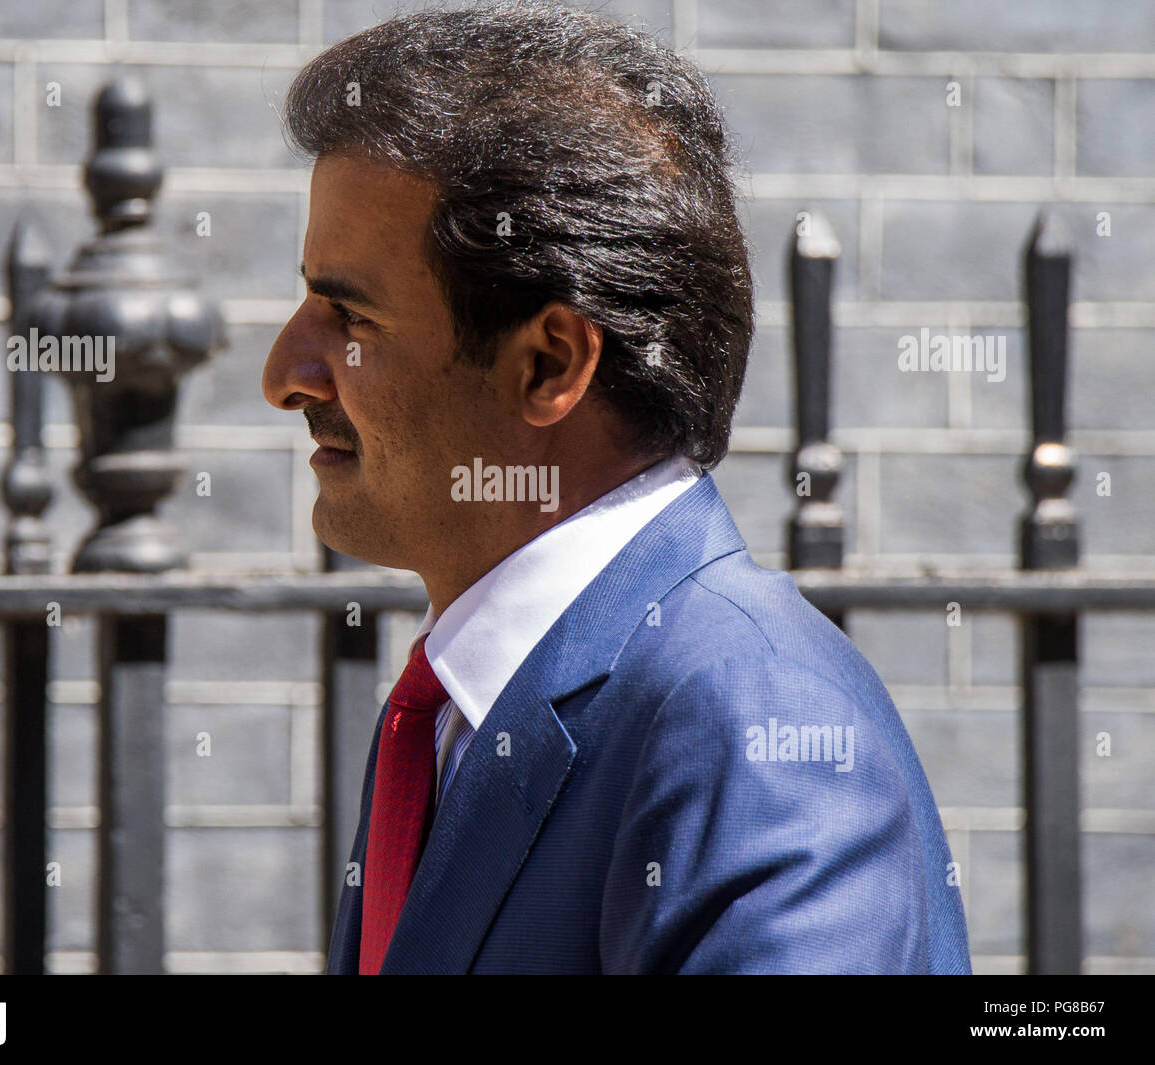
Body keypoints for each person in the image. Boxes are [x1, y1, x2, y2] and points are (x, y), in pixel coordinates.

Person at [261, 0, 971, 974]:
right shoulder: (465, 709)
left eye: (348, 317)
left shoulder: (753, 725)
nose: (286, 372)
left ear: (550, 365)